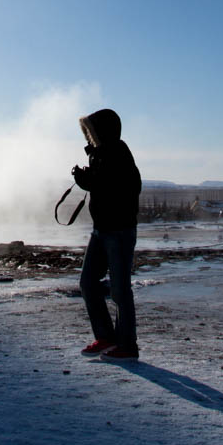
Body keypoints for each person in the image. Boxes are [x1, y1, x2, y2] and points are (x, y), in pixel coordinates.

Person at [72, 108, 142, 360]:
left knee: (120, 291)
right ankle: (105, 337)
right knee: (88, 283)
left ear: (103, 131)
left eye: (91, 131)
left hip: (119, 231)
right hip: (101, 229)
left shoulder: (118, 153)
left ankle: (127, 345)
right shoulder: (100, 155)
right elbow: (104, 183)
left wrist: (88, 181)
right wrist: (88, 177)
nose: (89, 137)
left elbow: (124, 187)